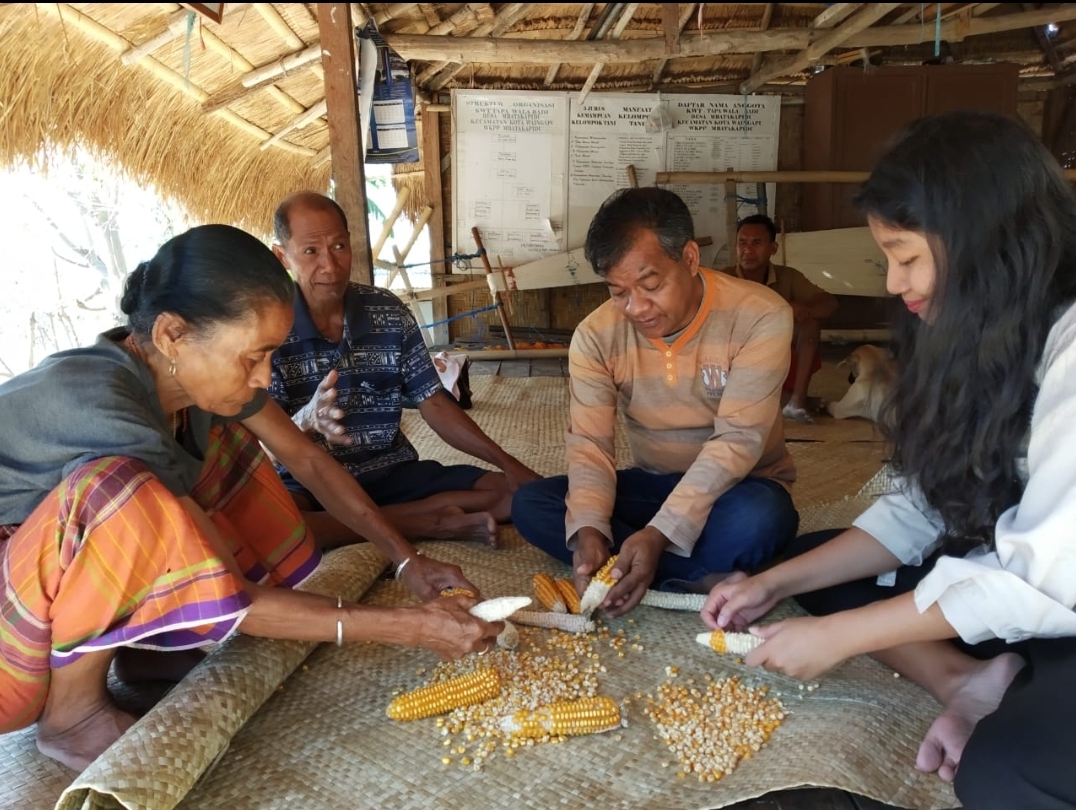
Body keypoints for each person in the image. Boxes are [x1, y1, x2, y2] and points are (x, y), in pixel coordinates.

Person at [0, 224, 503, 772]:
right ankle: (70, 717)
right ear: (172, 335)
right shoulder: (103, 407)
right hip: (11, 655)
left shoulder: (180, 377)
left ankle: (145, 652)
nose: (264, 376)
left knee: (224, 440)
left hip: (38, 574)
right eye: (252, 357)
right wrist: (409, 627)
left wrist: (405, 559)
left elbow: (309, 461)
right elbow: (225, 587)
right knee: (123, 495)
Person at [702, 109, 1076, 809]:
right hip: (1016, 583)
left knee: (1002, 775)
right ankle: (967, 679)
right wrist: (774, 585)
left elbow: (1049, 577)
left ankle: (1018, 685)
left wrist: (840, 637)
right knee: (808, 566)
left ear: (985, 241)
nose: (895, 283)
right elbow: (924, 505)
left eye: (907, 255)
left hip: (1061, 600)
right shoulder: (980, 329)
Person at [512, 187, 799, 618]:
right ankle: (696, 577)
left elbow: (739, 440)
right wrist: (590, 528)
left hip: (738, 486)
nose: (636, 308)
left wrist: (657, 534)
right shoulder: (595, 336)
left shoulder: (760, 315)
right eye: (618, 292)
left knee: (761, 517)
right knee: (534, 504)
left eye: (651, 285)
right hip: (654, 482)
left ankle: (639, 561)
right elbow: (590, 443)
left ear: (688, 258)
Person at [268, 191, 540, 550]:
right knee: (278, 529)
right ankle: (426, 521)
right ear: (282, 256)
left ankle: (393, 518)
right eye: (310, 251)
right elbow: (264, 444)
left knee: (510, 493)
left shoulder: (387, 312)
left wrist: (508, 463)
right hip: (312, 484)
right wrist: (307, 419)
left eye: (338, 246)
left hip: (389, 471)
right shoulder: (269, 329)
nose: (330, 266)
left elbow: (434, 402)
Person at [721, 214, 838, 424]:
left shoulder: (788, 276)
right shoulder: (722, 279)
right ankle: (782, 400)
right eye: (742, 243)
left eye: (756, 243)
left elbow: (829, 303)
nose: (747, 250)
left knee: (809, 326)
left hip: (775, 353)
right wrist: (783, 310)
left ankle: (796, 401)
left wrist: (804, 309)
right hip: (737, 358)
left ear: (773, 248)